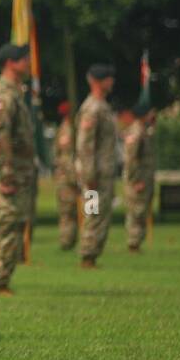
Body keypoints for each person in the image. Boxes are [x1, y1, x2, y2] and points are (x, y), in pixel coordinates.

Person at [0, 43, 35, 295]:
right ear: (10, 63)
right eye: (24, 59)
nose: (28, 62)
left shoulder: (15, 93)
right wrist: (5, 173)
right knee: (3, 225)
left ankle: (1, 280)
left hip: (17, 173)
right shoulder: (3, 94)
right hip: (4, 174)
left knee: (11, 225)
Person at [75, 64, 117, 268]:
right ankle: (87, 255)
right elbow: (85, 144)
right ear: (97, 81)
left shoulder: (103, 106)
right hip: (94, 174)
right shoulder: (92, 108)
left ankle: (92, 254)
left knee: (100, 213)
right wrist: (89, 173)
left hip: (104, 171)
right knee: (93, 212)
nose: (112, 81)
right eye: (108, 78)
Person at [123, 101, 156, 252]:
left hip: (144, 178)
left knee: (141, 211)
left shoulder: (143, 130)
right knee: (136, 211)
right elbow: (132, 159)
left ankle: (136, 243)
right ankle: (133, 243)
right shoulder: (137, 132)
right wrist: (136, 180)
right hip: (138, 179)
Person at [53, 100, 79, 250]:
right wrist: (73, 180)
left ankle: (85, 240)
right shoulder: (68, 130)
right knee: (68, 212)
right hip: (69, 179)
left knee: (89, 210)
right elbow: (65, 158)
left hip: (73, 177)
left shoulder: (68, 129)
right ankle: (67, 242)